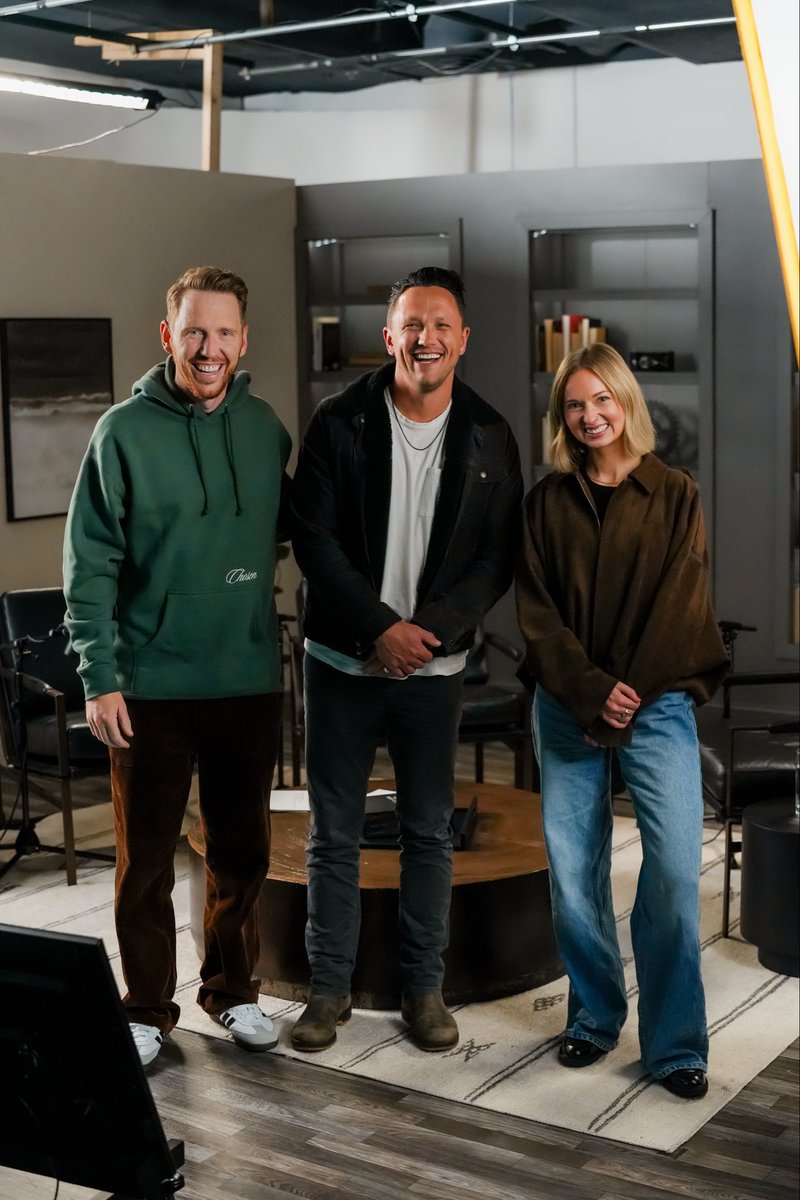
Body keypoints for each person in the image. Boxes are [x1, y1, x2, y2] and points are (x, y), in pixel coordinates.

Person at [63, 266, 292, 1066]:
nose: (208, 348)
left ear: (243, 340)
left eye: (224, 332)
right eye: (194, 331)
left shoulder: (264, 430)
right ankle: (145, 1009)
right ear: (168, 335)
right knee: (146, 863)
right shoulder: (122, 432)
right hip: (147, 687)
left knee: (241, 854)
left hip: (245, 680)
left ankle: (233, 993)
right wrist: (99, 675)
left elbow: (291, 528)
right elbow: (89, 560)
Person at [290, 266, 522, 1053]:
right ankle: (328, 992)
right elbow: (314, 539)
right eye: (411, 324)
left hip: (434, 669)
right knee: (334, 834)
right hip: (341, 661)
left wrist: (426, 633)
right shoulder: (339, 421)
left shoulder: (490, 433)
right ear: (388, 336)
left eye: (440, 325)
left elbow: (495, 559)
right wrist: (380, 629)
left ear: (463, 339)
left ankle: (424, 990)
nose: (426, 338)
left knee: (428, 833)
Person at [515, 343, 729, 1099]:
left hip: (657, 703)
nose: (590, 415)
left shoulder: (674, 493)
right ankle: (594, 1017)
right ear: (562, 417)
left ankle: (675, 1045)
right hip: (567, 704)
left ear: (625, 401)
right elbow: (537, 614)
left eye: (601, 399)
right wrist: (589, 692)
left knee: (671, 873)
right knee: (574, 874)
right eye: (575, 405)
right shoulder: (545, 503)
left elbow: (683, 602)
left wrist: (625, 691)